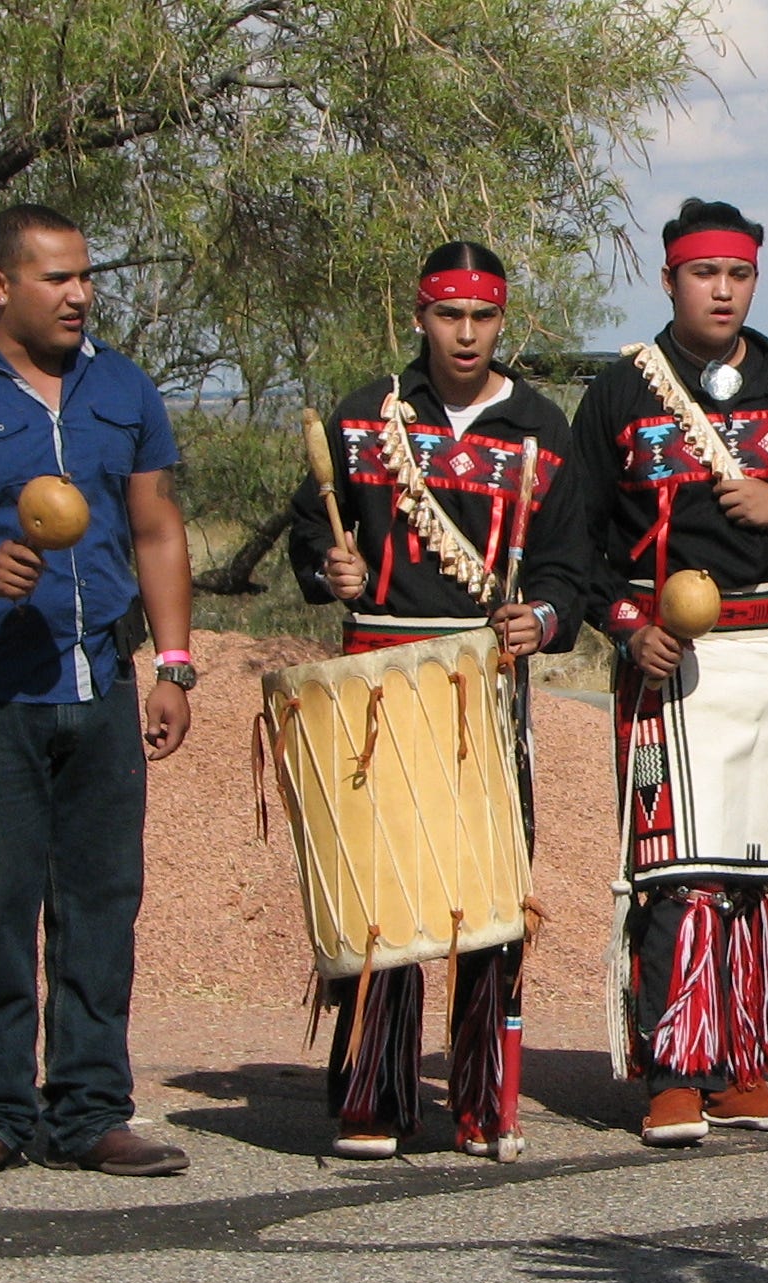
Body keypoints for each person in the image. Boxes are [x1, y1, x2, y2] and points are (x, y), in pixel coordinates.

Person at [0, 203, 197, 1180]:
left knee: (102, 903)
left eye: (85, 275)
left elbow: (156, 529)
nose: (79, 293)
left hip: (100, 686)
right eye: (56, 277)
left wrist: (174, 663)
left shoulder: (121, 386)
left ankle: (94, 1108)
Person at [572, 198, 768, 1147]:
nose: (721, 289)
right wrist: (628, 627)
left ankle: (741, 1065)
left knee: (750, 866)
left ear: (754, 279)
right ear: (669, 280)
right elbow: (574, 540)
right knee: (677, 868)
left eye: (738, 274)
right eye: (704, 273)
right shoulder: (624, 392)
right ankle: (672, 1072)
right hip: (674, 658)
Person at [284, 241, 594, 1160]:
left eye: (482, 317)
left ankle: (481, 1101)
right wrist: (326, 566)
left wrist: (542, 614)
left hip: (480, 684)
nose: (465, 334)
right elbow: (313, 528)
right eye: (448, 315)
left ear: (504, 321)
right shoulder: (360, 418)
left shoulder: (541, 429)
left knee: (486, 894)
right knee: (382, 884)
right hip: (375, 679)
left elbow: (569, 567)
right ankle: (374, 1096)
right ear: (418, 316)